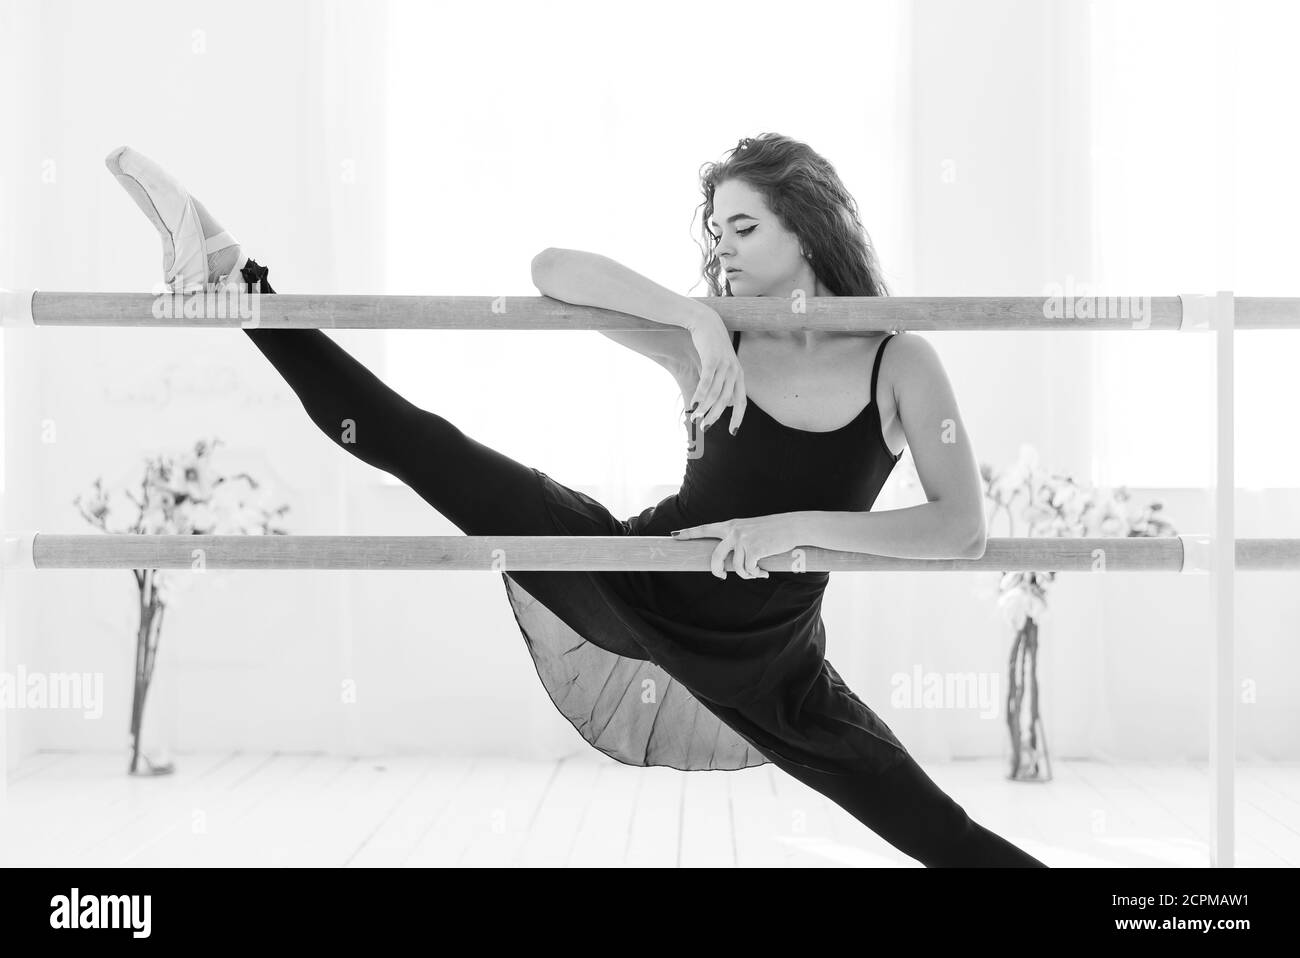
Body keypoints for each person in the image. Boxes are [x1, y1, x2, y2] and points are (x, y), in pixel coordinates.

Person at [104, 135, 1047, 867]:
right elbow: (550, 267)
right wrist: (692, 318)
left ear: (808, 227)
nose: (722, 246)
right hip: (638, 582)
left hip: (774, 668)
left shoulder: (899, 360)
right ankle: (238, 282)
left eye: (745, 227)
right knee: (415, 441)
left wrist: (791, 528)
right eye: (714, 230)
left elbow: (960, 529)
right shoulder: (708, 346)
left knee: (940, 834)